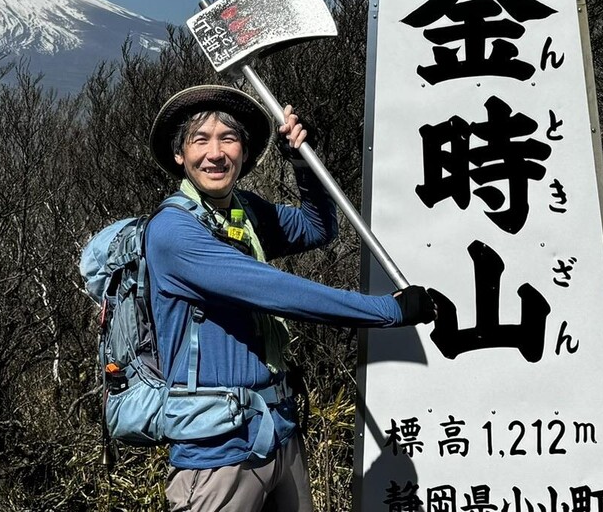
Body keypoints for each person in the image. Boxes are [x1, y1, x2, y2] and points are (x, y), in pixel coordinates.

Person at [145, 84, 436, 512]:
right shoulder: (174, 233)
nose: (215, 153)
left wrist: (303, 164)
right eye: (199, 140)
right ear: (179, 155)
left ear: (244, 152)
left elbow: (317, 228)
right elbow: (276, 291)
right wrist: (387, 310)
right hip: (217, 456)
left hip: (277, 432)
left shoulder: (241, 213)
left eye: (228, 138)